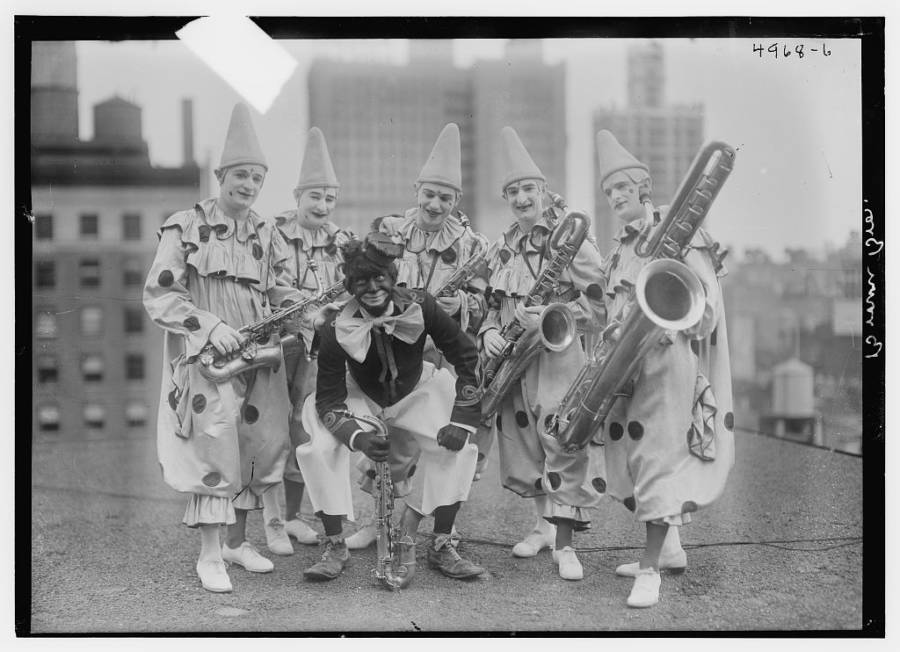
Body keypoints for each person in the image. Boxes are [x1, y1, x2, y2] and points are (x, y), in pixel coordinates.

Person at [143, 103, 303, 593]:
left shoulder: (268, 230)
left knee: (255, 446)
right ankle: (210, 555)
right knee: (213, 446)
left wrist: (301, 305)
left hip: (257, 355)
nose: (249, 185)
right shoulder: (184, 224)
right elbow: (161, 293)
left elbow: (277, 286)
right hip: (207, 358)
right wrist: (210, 326)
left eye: (257, 177)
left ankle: (236, 542)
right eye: (240, 175)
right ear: (220, 175)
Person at [593, 130, 734, 607]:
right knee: (633, 457)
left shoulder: (683, 235)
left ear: (644, 189)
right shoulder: (617, 251)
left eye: (623, 188)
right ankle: (669, 549)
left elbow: (706, 306)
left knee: (658, 458)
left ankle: (650, 570)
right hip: (626, 364)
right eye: (609, 191)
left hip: (667, 359)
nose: (615, 198)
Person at [294, 232, 485, 582]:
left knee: (460, 449)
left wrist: (463, 420)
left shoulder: (422, 304)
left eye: (379, 277)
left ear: (392, 277)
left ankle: (441, 543)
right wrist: (357, 438)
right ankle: (335, 544)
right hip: (360, 395)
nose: (372, 287)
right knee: (318, 448)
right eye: (361, 281)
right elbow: (328, 400)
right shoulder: (335, 326)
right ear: (350, 286)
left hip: (417, 389)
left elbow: (466, 355)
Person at [346, 123, 490, 550]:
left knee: (446, 442)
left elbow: (483, 302)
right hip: (391, 350)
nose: (435, 203)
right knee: (391, 440)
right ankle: (378, 521)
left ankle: (442, 530)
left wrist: (460, 305)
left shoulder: (471, 244)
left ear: (457, 201)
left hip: (440, 352)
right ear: (416, 190)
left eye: (446, 197)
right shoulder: (388, 231)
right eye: (429, 194)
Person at [479, 127, 607, 581]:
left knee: (562, 441)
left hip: (560, 355)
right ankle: (542, 526)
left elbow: (600, 304)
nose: (519, 198)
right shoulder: (504, 245)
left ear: (543, 190)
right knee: (526, 443)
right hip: (516, 359)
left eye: (527, 189)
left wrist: (552, 314)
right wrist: (491, 331)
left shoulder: (571, 240)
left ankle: (567, 544)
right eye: (511, 191)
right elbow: (491, 305)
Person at [271, 127, 353, 551]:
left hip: (324, 353)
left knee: (309, 432)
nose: (322, 206)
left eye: (329, 199)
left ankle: (294, 516)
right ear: (297, 195)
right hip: (283, 348)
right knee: (274, 430)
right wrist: (308, 310)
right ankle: (274, 518)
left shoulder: (343, 242)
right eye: (314, 197)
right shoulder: (274, 235)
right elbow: (273, 286)